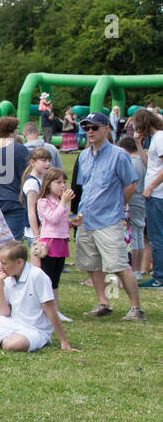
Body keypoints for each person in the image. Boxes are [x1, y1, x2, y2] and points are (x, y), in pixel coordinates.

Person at [75, 112, 145, 320]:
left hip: (109, 220)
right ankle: (103, 303)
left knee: (120, 265)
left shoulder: (119, 155)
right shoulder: (84, 156)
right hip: (86, 218)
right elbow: (84, 187)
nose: (90, 132)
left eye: (94, 128)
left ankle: (136, 308)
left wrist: (117, 206)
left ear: (107, 129)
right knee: (92, 265)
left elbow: (131, 185)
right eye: (86, 128)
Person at [35, 168, 74, 307]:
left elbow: (61, 223)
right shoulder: (43, 202)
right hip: (50, 244)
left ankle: (55, 309)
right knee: (48, 277)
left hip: (61, 241)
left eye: (64, 182)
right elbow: (53, 219)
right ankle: (45, 307)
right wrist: (63, 203)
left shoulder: (59, 200)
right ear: (48, 184)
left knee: (56, 278)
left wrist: (71, 224)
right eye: (58, 182)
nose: (63, 186)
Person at [136, 109, 163, 287]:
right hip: (155, 193)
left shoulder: (160, 137)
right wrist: (138, 143)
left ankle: (159, 277)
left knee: (157, 236)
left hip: (157, 194)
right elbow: (149, 164)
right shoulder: (155, 138)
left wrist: (151, 187)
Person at [119, 135, 148, 275]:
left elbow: (129, 185)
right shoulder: (142, 161)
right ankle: (138, 269)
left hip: (133, 201)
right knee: (139, 235)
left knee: (134, 236)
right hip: (143, 200)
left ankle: (135, 268)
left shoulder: (130, 162)